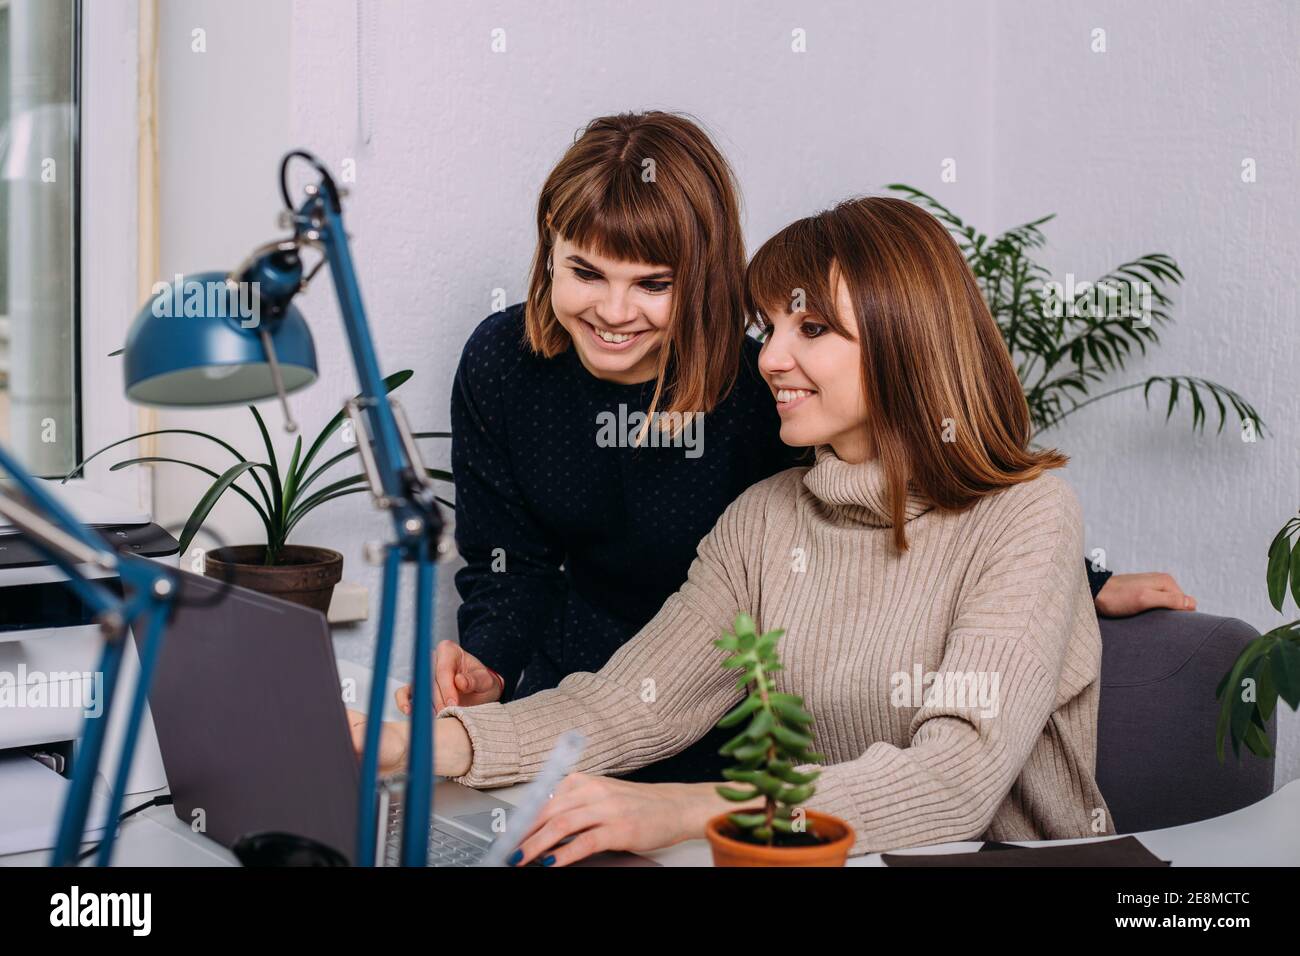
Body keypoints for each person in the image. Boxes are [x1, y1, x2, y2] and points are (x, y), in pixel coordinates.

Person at [390, 111, 1194, 787]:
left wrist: (1070, 583)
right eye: (585, 273)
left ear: (701, 280)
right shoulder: (515, 370)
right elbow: (548, 611)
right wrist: (459, 707)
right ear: (548, 258)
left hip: (744, 745)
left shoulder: (768, 401)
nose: (613, 310)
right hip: (607, 708)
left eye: (652, 284)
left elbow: (901, 546)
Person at [353, 196, 1127, 862]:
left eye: (813, 329)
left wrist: (688, 809)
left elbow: (952, 784)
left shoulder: (1027, 514)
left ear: (907, 341)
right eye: (772, 326)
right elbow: (629, 704)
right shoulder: (768, 517)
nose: (772, 358)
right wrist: (430, 746)